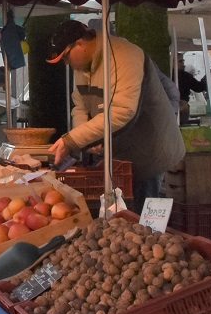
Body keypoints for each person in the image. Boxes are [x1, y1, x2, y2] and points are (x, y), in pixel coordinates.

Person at [45, 18, 184, 207]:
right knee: (119, 211)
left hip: (148, 148)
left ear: (80, 44)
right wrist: (86, 139)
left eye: (66, 57)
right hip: (119, 153)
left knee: (141, 210)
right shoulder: (82, 65)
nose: (66, 63)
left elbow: (123, 111)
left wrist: (72, 140)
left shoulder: (125, 56)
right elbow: (80, 106)